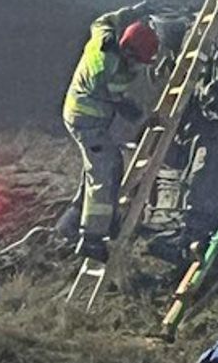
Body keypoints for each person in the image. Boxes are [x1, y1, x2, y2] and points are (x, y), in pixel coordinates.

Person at [60, 14, 161, 262]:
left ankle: (71, 222)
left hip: (79, 115)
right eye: (139, 62)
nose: (139, 67)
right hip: (87, 121)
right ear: (129, 54)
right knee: (104, 170)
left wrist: (134, 10)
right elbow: (121, 102)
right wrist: (143, 119)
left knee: (102, 166)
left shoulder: (101, 39)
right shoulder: (110, 69)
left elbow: (102, 21)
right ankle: (91, 238)